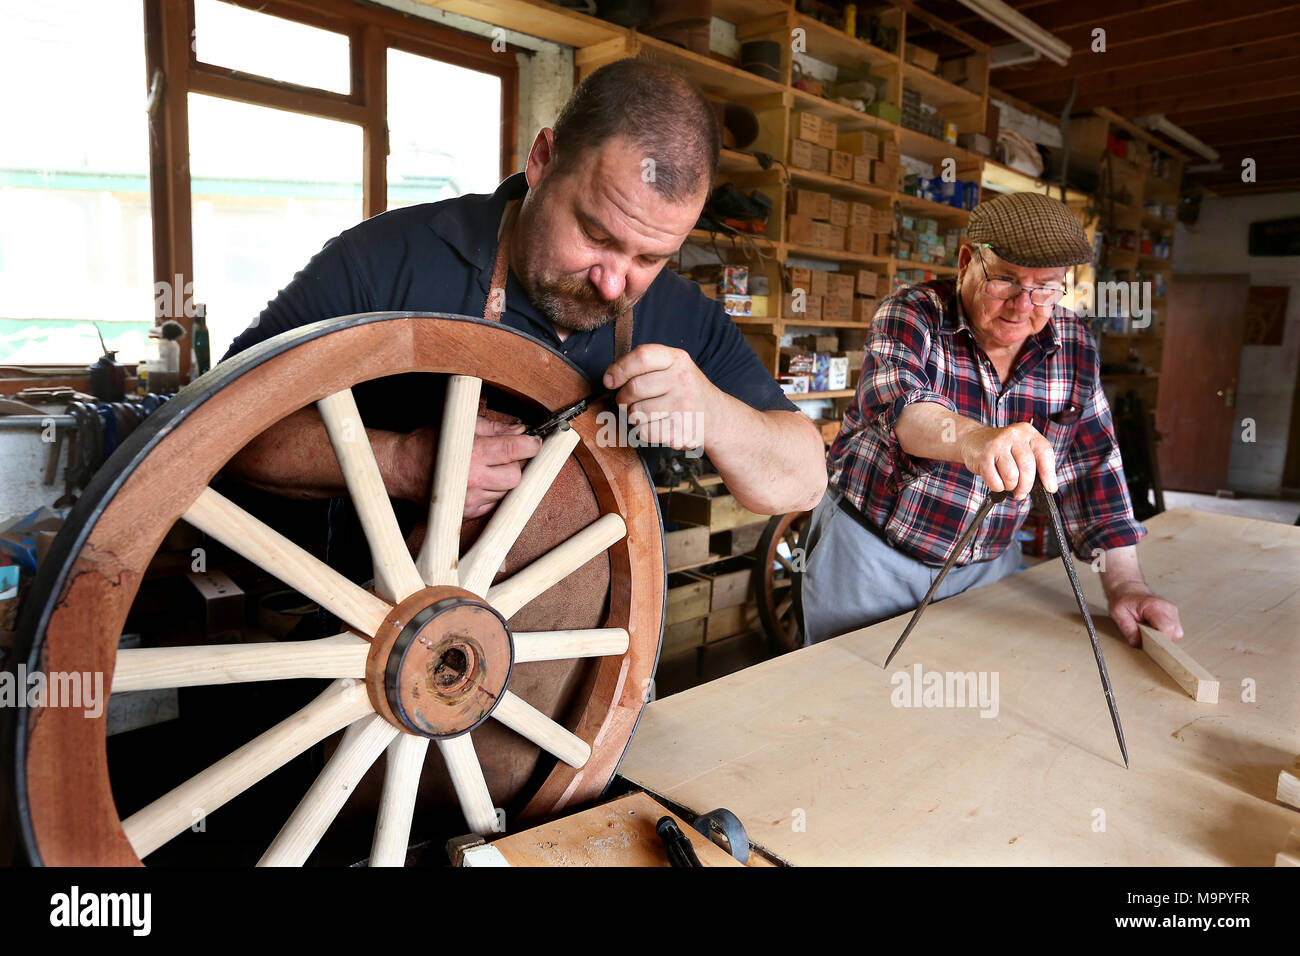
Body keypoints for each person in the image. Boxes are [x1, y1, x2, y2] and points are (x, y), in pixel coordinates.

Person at [219, 57, 826, 579]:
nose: (615, 281)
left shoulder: (682, 315)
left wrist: (717, 415)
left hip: (585, 682)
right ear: (542, 159)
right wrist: (403, 462)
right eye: (593, 233)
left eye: (650, 257)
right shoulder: (386, 261)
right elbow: (220, 429)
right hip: (371, 658)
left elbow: (803, 482)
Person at [800, 191, 1183, 649]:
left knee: (965, 705)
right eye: (1006, 280)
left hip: (988, 568)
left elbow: (1093, 469)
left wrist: (1127, 586)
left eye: (1045, 287)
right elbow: (900, 409)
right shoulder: (912, 313)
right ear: (966, 261)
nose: (1024, 305)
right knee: (844, 697)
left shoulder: (1074, 344)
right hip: (871, 554)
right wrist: (975, 439)